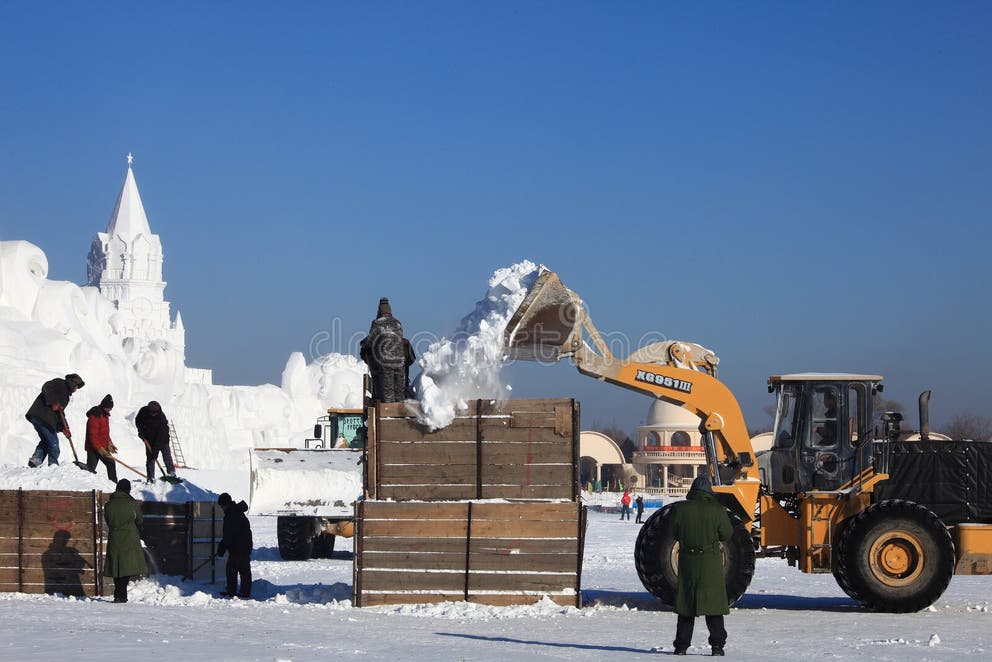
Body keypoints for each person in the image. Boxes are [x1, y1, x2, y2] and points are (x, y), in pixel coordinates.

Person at [670, 474, 732, 656]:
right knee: (714, 607)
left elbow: (674, 533)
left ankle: (681, 646)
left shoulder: (680, 509)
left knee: (686, 606)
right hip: (710, 564)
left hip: (688, 562)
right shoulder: (717, 510)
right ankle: (717, 646)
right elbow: (726, 534)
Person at [103, 479, 147, 603]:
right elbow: (139, 519)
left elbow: (108, 520)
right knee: (126, 567)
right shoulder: (132, 504)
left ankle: (118, 594)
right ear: (128, 490)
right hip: (129, 537)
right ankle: (121, 595)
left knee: (116, 567)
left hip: (114, 538)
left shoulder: (109, 505)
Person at [26, 373, 84, 467]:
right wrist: (52, 401)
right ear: (72, 383)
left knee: (46, 441)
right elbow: (46, 387)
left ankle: (35, 461)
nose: (76, 389)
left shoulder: (66, 396)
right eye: (76, 386)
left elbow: (59, 413)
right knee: (53, 443)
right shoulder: (60, 383)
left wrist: (64, 428)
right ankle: (53, 465)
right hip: (42, 416)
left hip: (41, 417)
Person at [360, 297, 409, 404]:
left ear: (379, 311)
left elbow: (370, 340)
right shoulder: (398, 323)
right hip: (399, 361)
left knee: (388, 390)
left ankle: (389, 414)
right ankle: (400, 414)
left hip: (386, 361)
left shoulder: (377, 323)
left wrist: (362, 343)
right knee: (399, 389)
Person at [215, 492, 253, 598]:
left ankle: (245, 592)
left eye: (222, 505)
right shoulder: (231, 512)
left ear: (226, 504)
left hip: (242, 546)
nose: (221, 508)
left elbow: (230, 534)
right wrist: (224, 545)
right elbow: (229, 534)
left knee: (243, 569)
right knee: (231, 569)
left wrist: (222, 546)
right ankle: (231, 590)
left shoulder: (233, 514)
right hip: (236, 546)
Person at [135, 401, 174, 481]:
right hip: (149, 439)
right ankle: (150, 477)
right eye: (151, 413)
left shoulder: (161, 419)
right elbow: (138, 421)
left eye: (154, 413)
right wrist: (141, 432)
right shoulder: (143, 411)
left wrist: (155, 451)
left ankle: (171, 473)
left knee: (167, 457)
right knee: (150, 459)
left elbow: (160, 438)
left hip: (162, 440)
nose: (153, 414)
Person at [84, 394, 118, 482]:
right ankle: (86, 484)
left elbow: (104, 433)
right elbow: (92, 436)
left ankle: (114, 484)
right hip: (93, 448)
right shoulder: (95, 417)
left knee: (111, 463)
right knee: (90, 470)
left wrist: (110, 443)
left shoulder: (105, 416)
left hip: (103, 446)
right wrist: (100, 449)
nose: (110, 410)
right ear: (104, 406)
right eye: (109, 407)